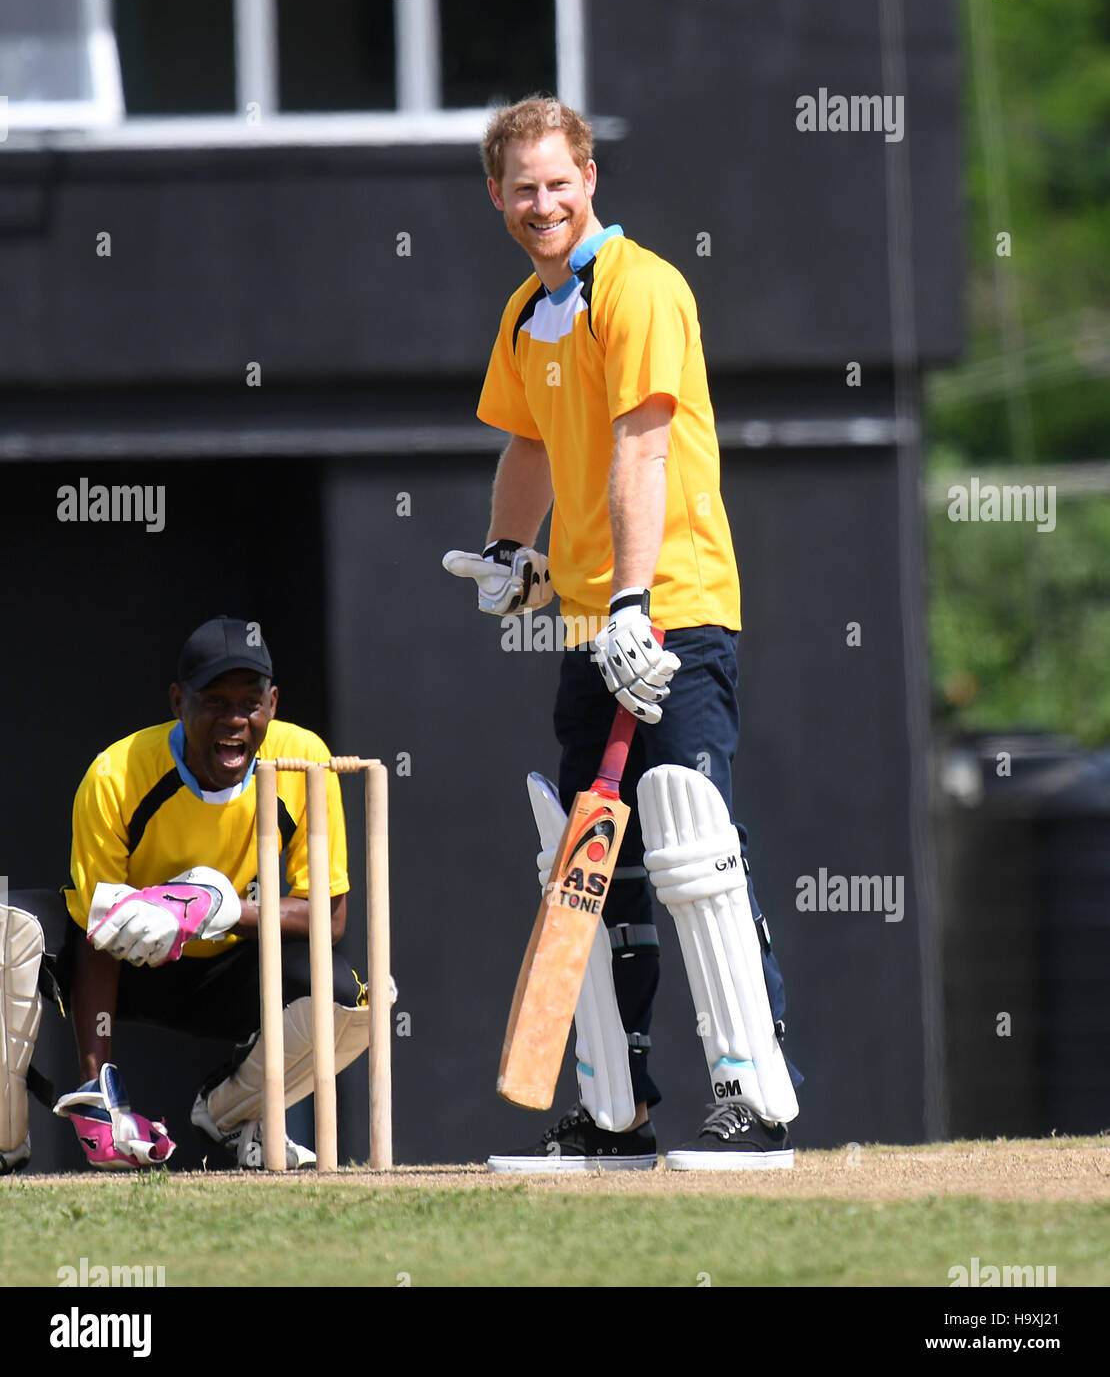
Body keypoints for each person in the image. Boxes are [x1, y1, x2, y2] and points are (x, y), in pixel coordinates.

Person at [444, 96, 803, 1171]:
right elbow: (529, 448)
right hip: (592, 625)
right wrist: (513, 553)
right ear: (497, 199)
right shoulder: (526, 312)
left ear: (589, 178)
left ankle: (757, 1101)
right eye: (522, 189)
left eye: (558, 183)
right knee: (592, 865)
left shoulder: (639, 287)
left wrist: (638, 604)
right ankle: (616, 1116)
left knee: (693, 845)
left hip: (673, 610)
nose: (541, 204)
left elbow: (642, 451)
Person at [52, 616, 369, 1170]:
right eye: (214, 702)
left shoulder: (302, 761)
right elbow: (95, 932)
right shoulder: (116, 775)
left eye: (250, 703)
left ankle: (228, 1114)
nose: (235, 721)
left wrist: (222, 909)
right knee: (16, 932)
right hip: (133, 966)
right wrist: (96, 1084)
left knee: (350, 998)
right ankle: (11, 1140)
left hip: (227, 974)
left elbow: (330, 920)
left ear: (273, 702)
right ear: (178, 702)